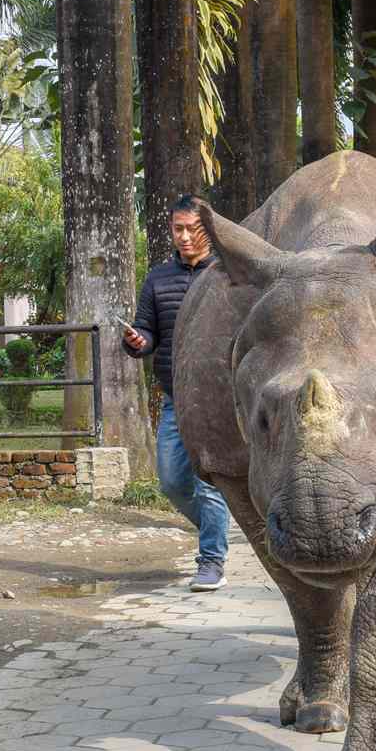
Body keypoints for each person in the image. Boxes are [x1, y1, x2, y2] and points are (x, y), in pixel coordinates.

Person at [124, 195, 233, 592]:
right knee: (171, 480)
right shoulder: (158, 279)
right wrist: (138, 340)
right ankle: (217, 526)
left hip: (218, 396)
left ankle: (211, 560)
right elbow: (147, 332)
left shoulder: (227, 274)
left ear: (207, 229)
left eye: (192, 228)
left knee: (209, 482)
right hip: (175, 396)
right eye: (177, 229)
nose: (184, 236)